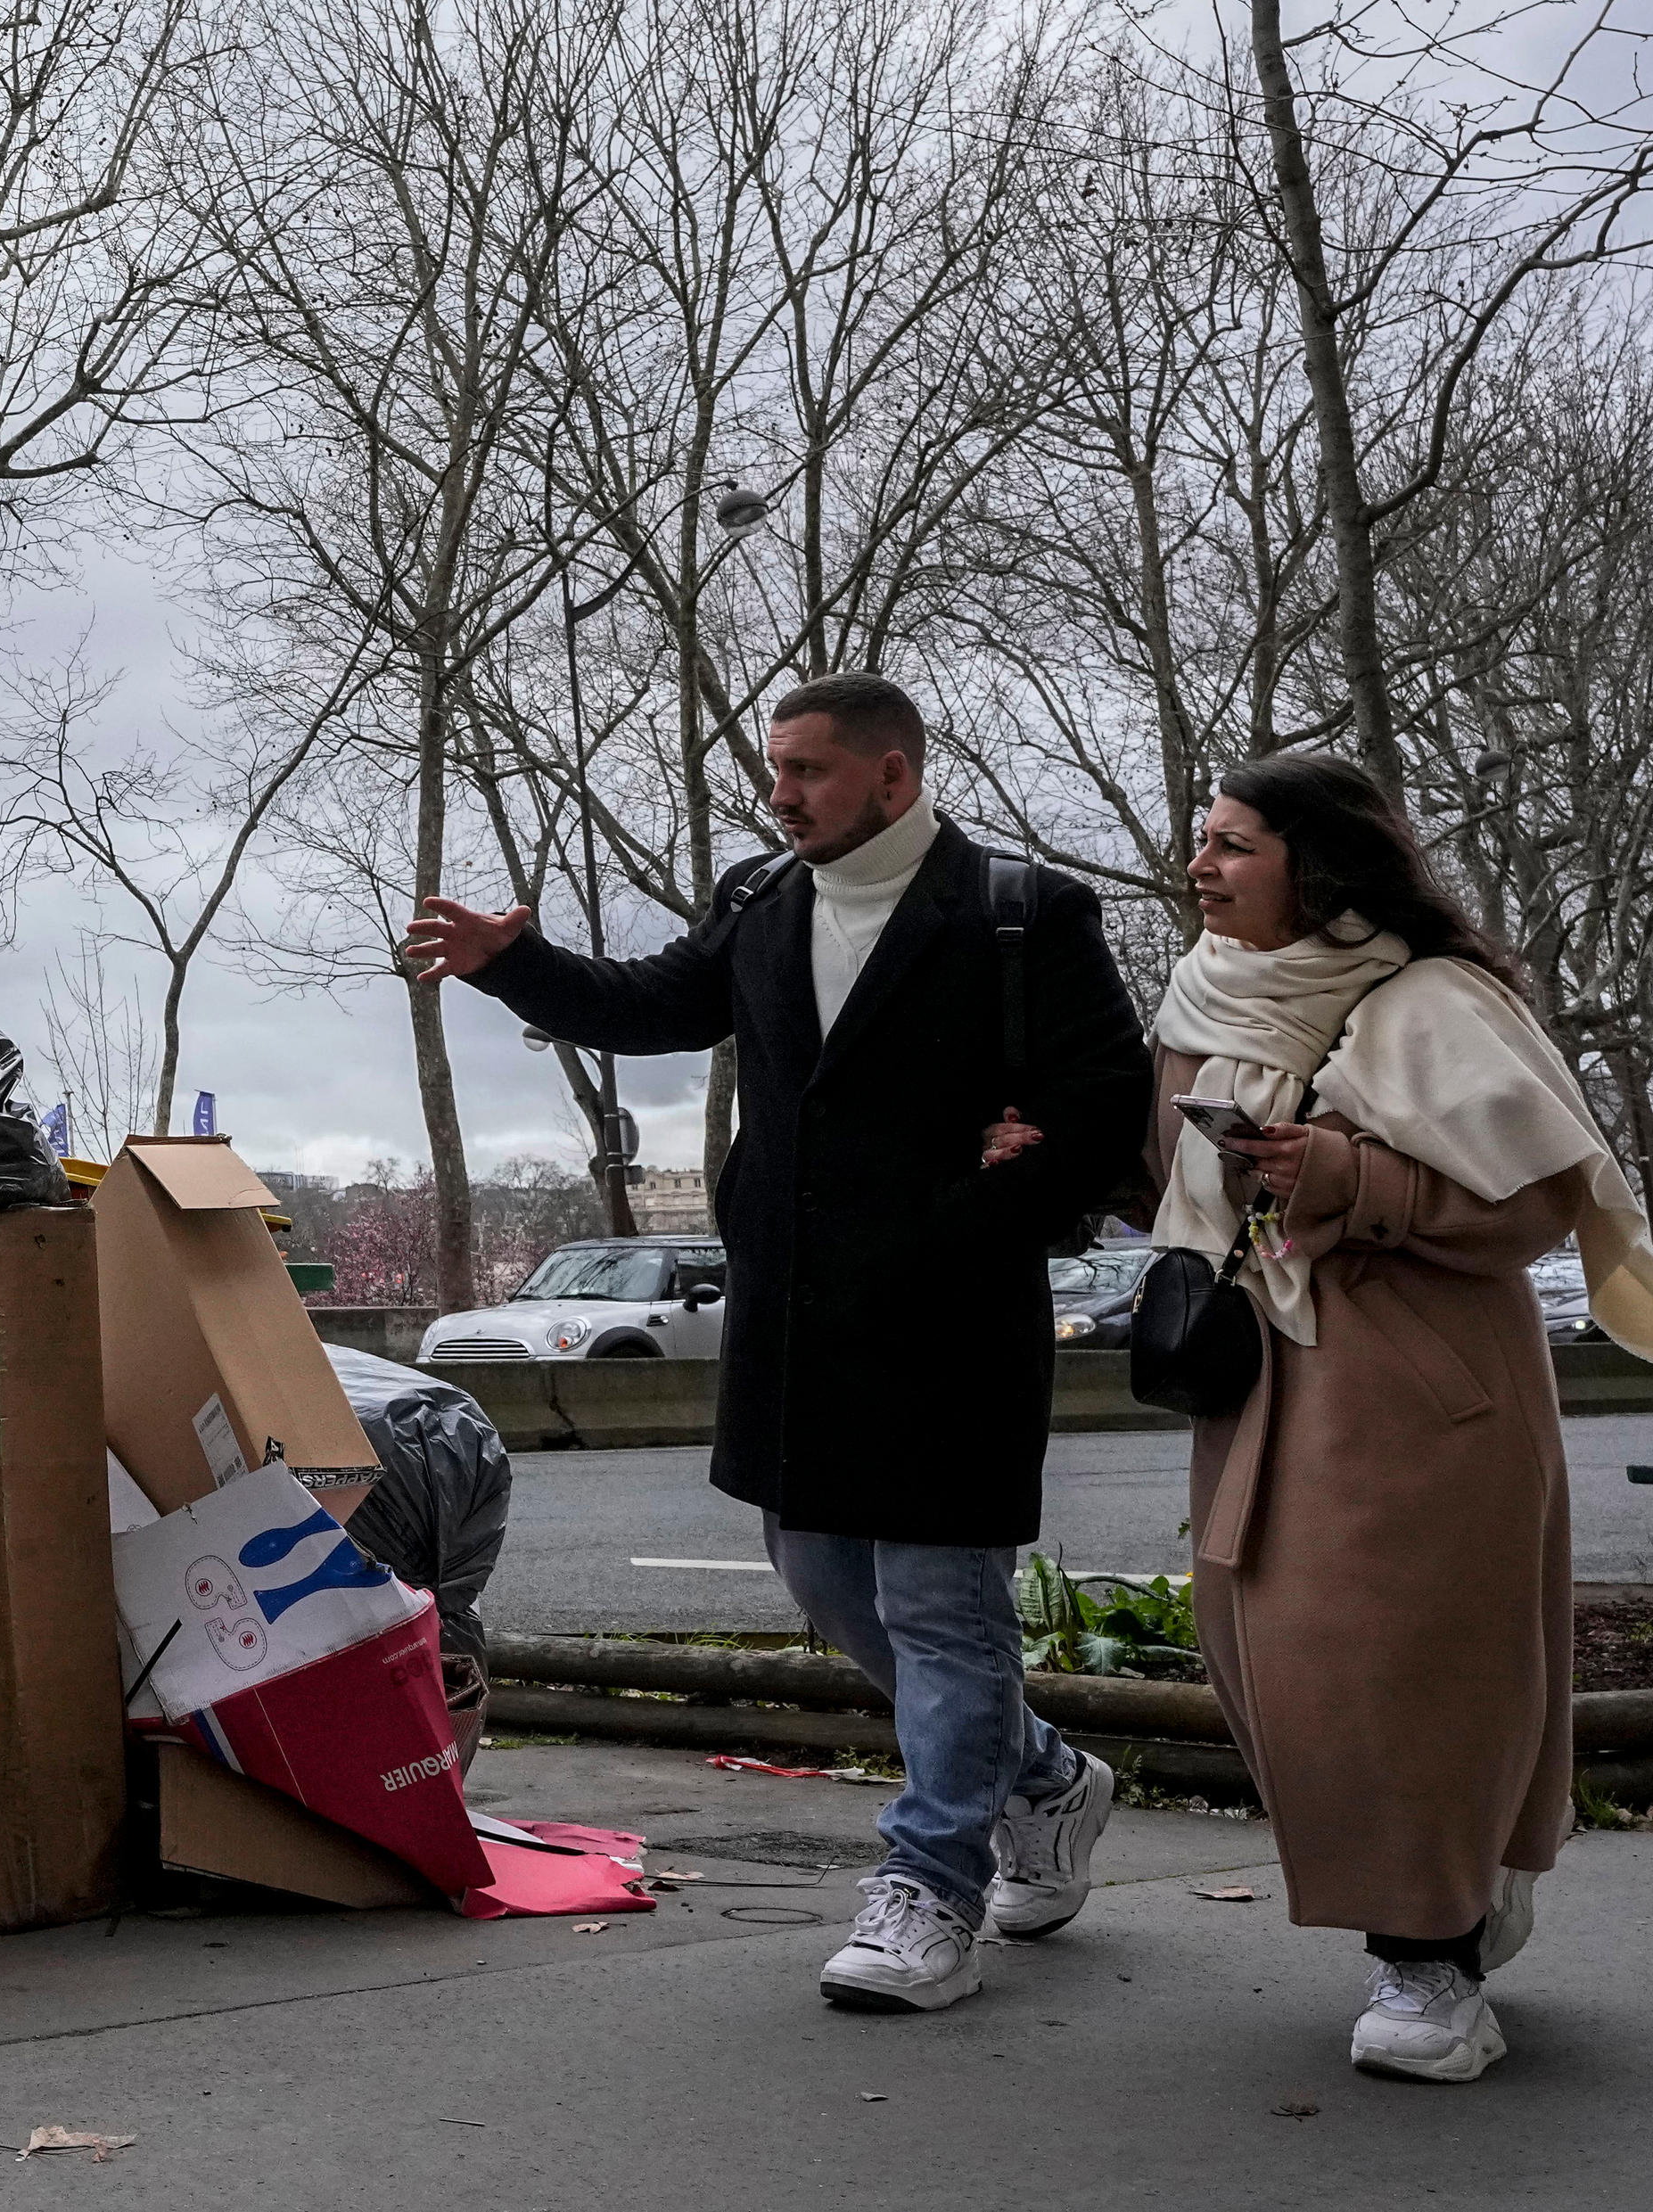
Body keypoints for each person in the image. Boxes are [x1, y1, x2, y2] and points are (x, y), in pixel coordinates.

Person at [403, 673, 1152, 2013]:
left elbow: (1103, 1107)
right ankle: (1041, 1775)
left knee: (940, 1603)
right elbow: (651, 1006)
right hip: (795, 1315)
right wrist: (511, 960)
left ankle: (931, 1888)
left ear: (894, 776)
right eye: (774, 768)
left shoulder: (1022, 912)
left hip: (950, 1315)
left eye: (807, 770)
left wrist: (974, 1216)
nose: (779, 792)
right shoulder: (760, 898)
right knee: (824, 1582)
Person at [1152, 752, 1653, 2085]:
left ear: (1321, 861)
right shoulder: (1199, 1003)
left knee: (1402, 1668)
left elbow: (1535, 1202)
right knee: (1268, 1663)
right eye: (1204, 839)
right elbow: (1169, 1187)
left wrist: (1349, 1174)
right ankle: (1452, 1889)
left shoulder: (1436, 1000)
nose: (1202, 865)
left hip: (1416, 1389)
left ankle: (1432, 1955)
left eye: (1234, 845)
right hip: (1257, 1385)